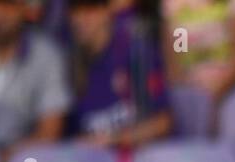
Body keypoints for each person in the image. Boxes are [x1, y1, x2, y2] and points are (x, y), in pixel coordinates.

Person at [67, 0, 172, 148]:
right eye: (74, 12)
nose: (79, 20)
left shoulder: (137, 52)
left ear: (106, 12)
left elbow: (163, 123)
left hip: (141, 160)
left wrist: (115, 139)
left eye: (89, 11)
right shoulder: (71, 65)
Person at [0, 0, 71, 159]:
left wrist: (7, 158)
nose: (0, 14)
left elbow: (50, 132)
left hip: (26, 159)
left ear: (23, 8)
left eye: (9, 6)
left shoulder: (46, 55)